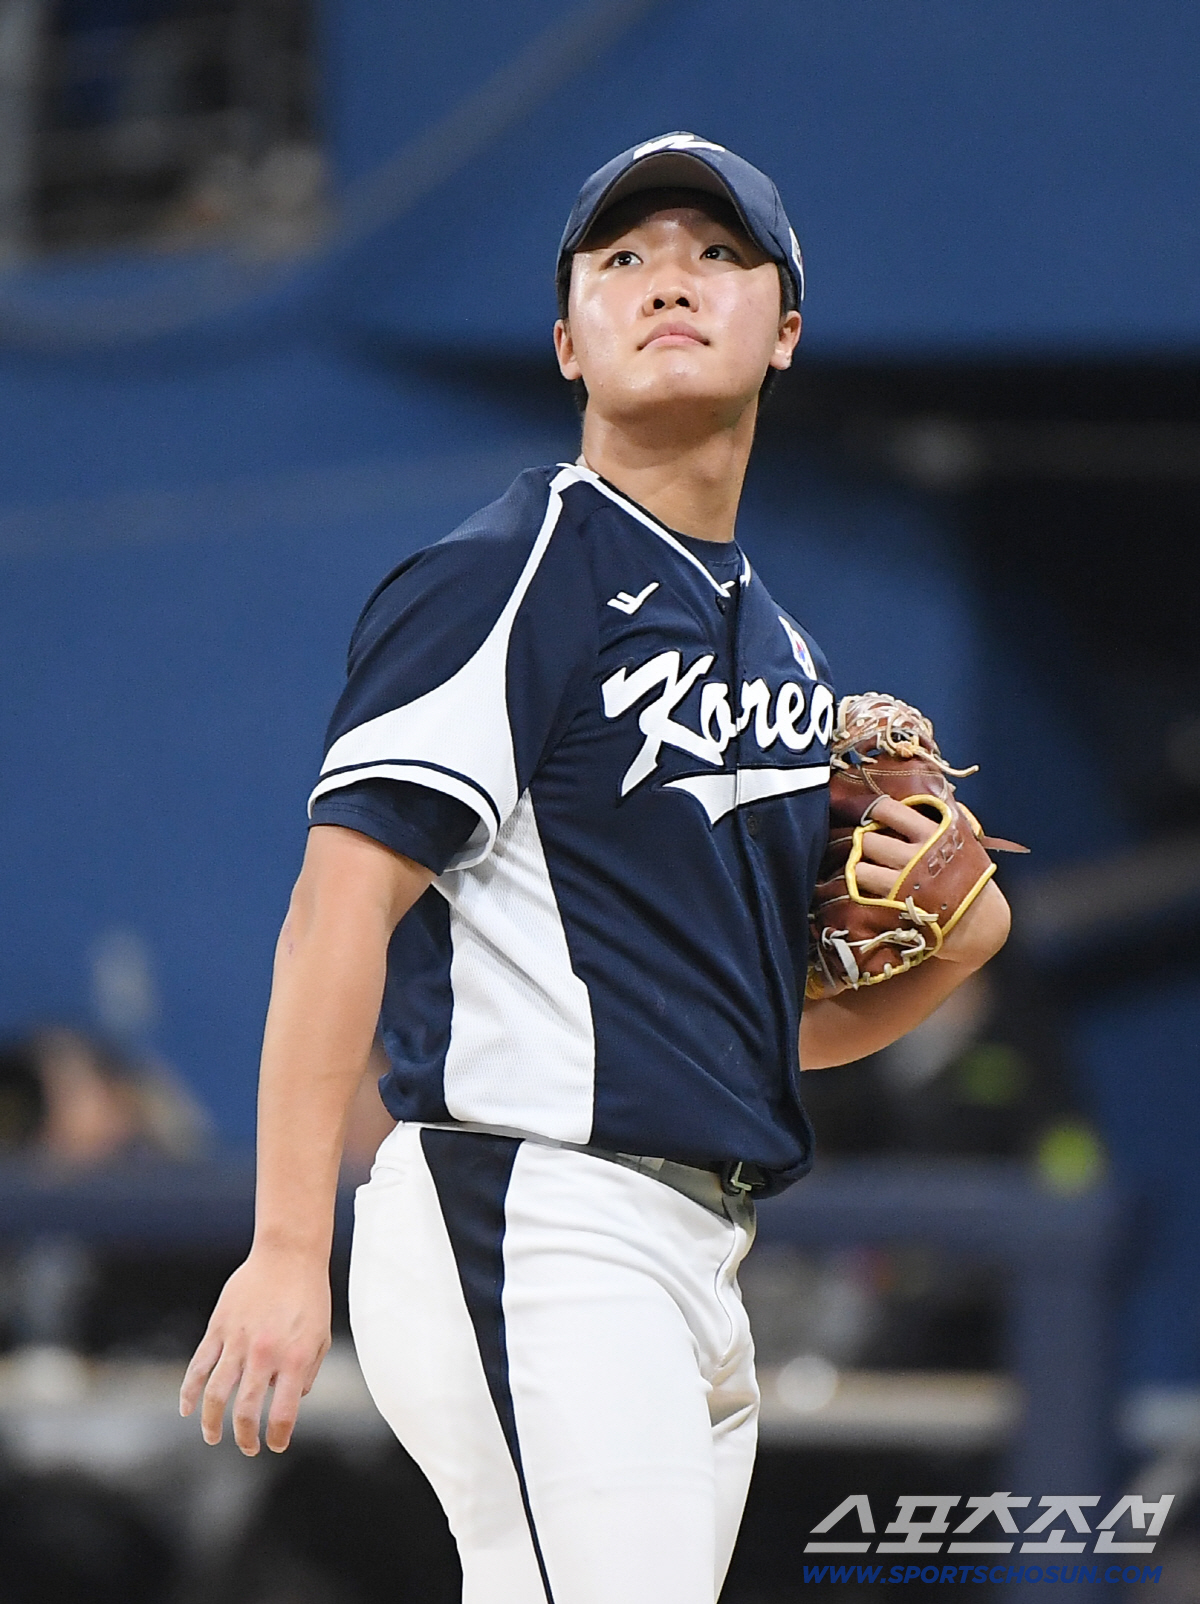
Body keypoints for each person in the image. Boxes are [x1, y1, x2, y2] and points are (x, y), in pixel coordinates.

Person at [180, 133, 1010, 1603]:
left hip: (700, 1245)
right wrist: (286, 1244)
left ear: (786, 333)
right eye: (622, 261)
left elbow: (769, 1032)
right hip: (531, 1219)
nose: (666, 281)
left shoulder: (786, 654)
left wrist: (960, 947)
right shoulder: (510, 573)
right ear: (569, 341)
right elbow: (336, 911)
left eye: (715, 255)